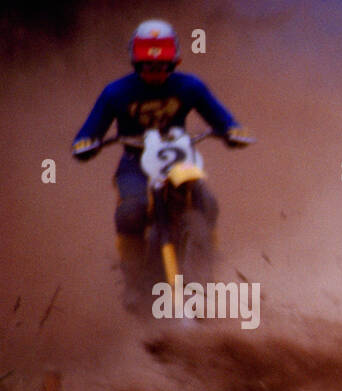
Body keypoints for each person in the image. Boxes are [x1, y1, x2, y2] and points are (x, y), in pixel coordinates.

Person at [71, 19, 254, 307]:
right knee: (131, 211)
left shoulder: (191, 86)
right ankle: (132, 282)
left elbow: (222, 118)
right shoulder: (116, 93)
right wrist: (85, 144)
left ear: (175, 62)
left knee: (207, 202)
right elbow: (89, 132)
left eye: (161, 65)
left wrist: (233, 130)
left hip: (179, 159)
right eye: (147, 65)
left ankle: (209, 271)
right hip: (134, 163)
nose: (155, 71)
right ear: (135, 63)